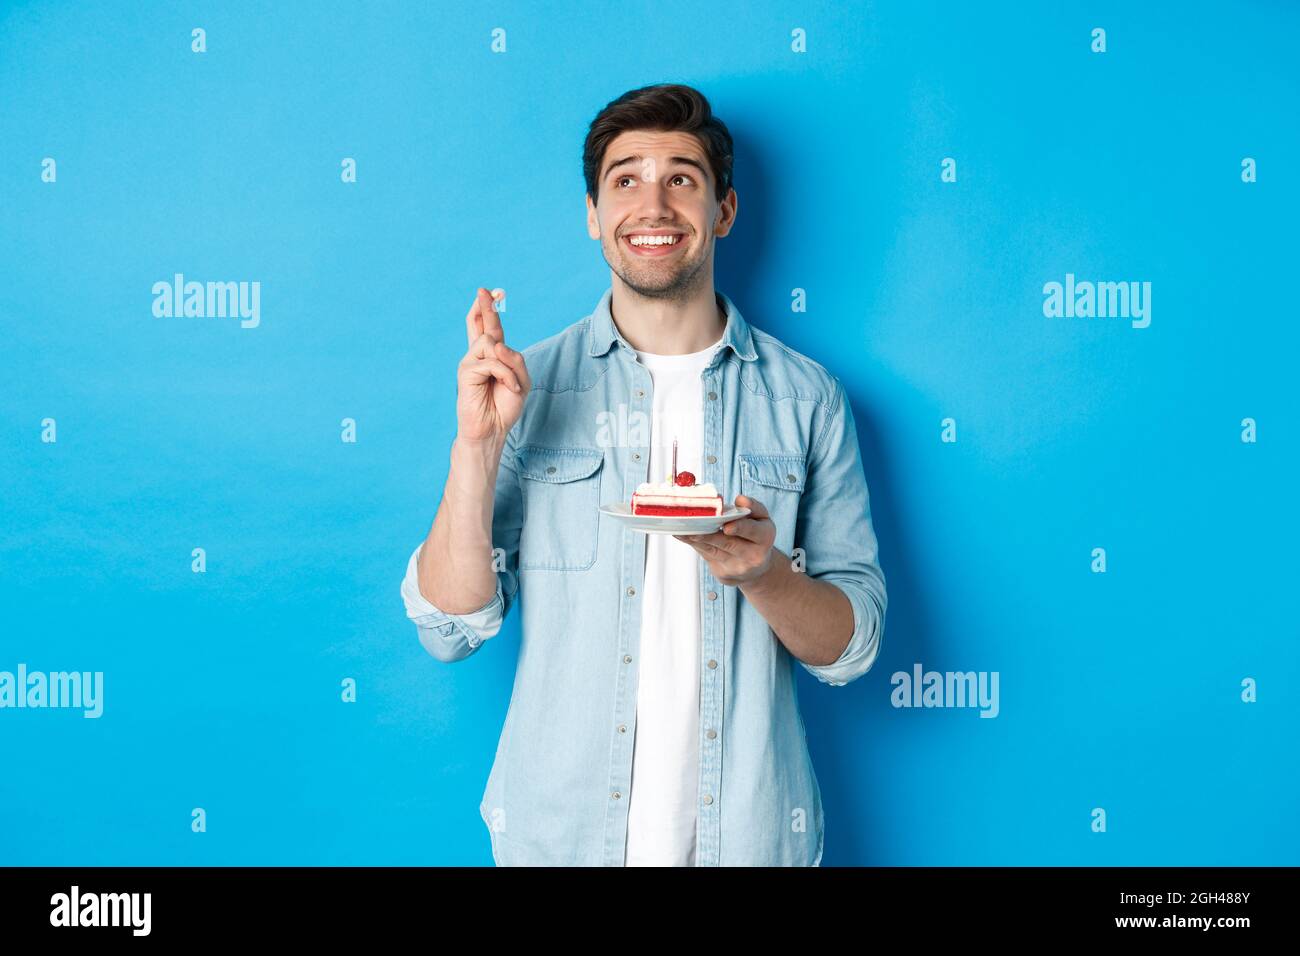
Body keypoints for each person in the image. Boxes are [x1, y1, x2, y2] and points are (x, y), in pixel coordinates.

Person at [400, 83, 887, 866]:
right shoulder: (530, 387)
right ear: (593, 213)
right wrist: (477, 447)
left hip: (751, 841)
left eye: (682, 179)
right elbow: (448, 629)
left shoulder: (808, 401)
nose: (652, 206)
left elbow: (852, 648)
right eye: (625, 179)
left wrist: (764, 574)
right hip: (558, 842)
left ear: (723, 211)